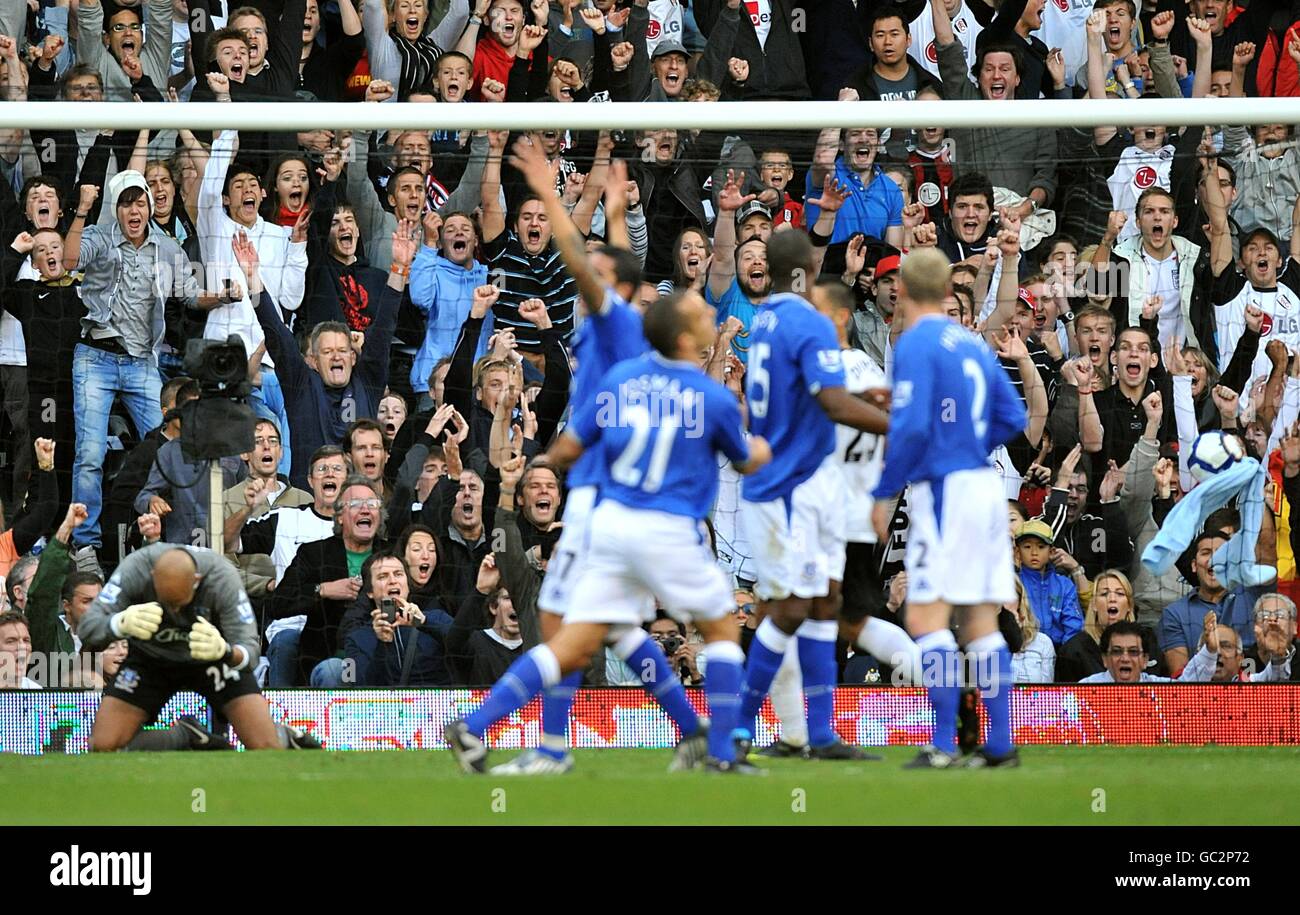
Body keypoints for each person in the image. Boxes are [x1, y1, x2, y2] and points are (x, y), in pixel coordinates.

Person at [444, 288, 772, 775]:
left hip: (611, 527)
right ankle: (721, 751)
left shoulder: (620, 380)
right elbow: (749, 463)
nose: (710, 318)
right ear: (683, 338)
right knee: (723, 627)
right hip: (668, 529)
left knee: (580, 640)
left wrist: (530, 462)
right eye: (699, 316)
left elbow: (572, 447)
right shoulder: (710, 396)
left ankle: (478, 725)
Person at [733, 231, 890, 762]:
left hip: (807, 482)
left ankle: (819, 735)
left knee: (825, 602)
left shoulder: (767, 321)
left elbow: (801, 398)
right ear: (803, 270)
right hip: (788, 488)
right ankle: (737, 731)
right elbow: (833, 402)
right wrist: (899, 424)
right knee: (793, 607)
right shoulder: (805, 320)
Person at [870, 247, 1028, 769]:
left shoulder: (916, 342)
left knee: (927, 614)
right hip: (984, 484)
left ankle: (942, 743)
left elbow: (911, 426)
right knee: (981, 619)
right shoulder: (972, 344)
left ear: (901, 293)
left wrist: (882, 492)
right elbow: (1012, 414)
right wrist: (969, 442)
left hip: (942, 489)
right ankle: (999, 745)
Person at [76, 543, 320, 750]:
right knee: (102, 745)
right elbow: (87, 628)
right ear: (151, 578)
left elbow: (251, 651)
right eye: (166, 603)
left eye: (180, 603)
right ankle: (185, 735)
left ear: (197, 582)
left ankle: (285, 735)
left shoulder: (221, 575)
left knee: (266, 746)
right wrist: (119, 623)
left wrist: (225, 651)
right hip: (150, 659)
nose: (174, 612)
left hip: (211, 658)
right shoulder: (134, 568)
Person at [1081, 619, 1218, 682]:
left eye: (1133, 652)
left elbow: (1188, 688)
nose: (1125, 658)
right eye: (1117, 651)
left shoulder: (1157, 689)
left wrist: (1210, 650)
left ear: (1145, 660)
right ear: (1105, 659)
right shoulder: (1086, 689)